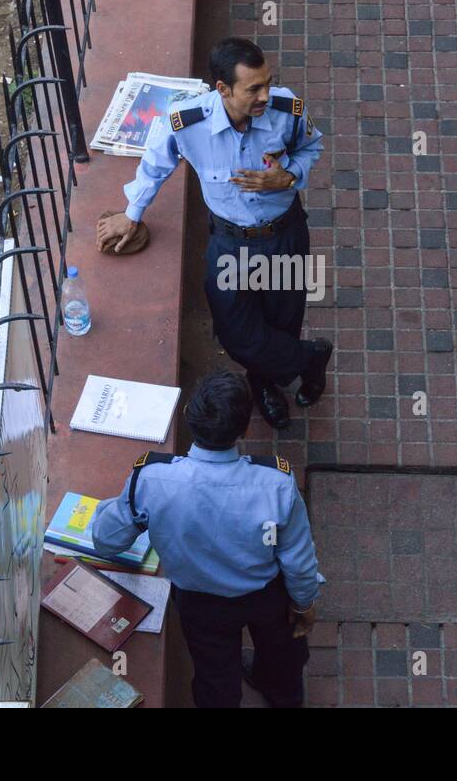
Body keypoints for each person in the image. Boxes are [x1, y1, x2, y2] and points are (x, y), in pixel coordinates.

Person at [96, 38, 331, 429]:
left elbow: (312, 147)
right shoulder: (187, 122)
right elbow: (156, 162)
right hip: (231, 245)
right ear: (222, 89)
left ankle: (264, 384)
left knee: (281, 323)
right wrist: (132, 212)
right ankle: (311, 358)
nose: (264, 95)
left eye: (267, 83)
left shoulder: (286, 109)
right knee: (236, 333)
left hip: (284, 235)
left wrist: (287, 177)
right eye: (253, 88)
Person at [91, 370, 322, 708]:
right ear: (244, 429)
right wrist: (303, 603)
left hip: (200, 603)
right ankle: (278, 693)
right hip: (267, 597)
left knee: (215, 678)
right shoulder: (277, 483)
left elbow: (106, 540)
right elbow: (298, 559)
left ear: (187, 415)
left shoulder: (152, 479)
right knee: (283, 659)